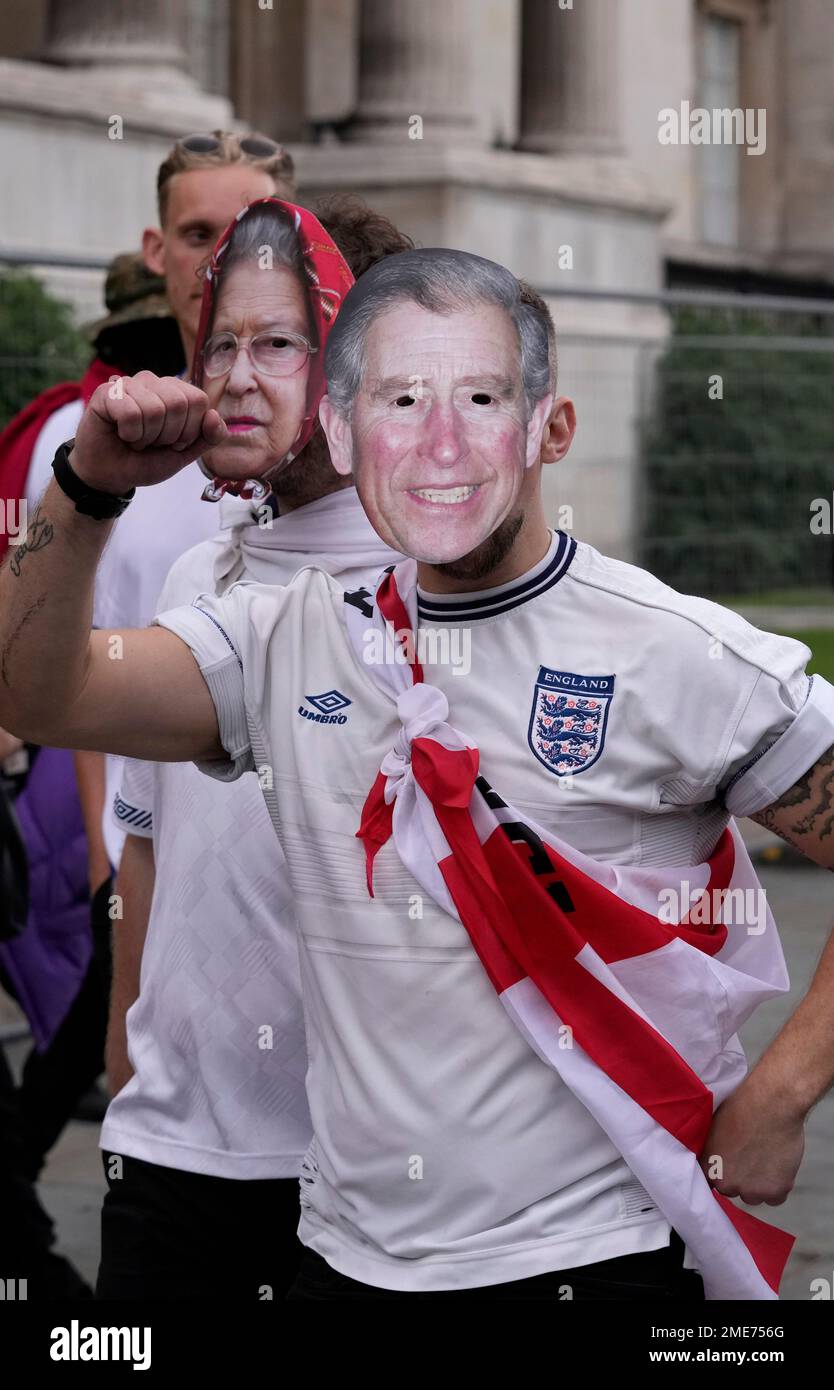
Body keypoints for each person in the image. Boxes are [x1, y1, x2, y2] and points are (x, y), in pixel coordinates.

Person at [3, 249, 834, 1302]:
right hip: (342, 1265)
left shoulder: (674, 650)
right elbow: (38, 696)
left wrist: (783, 1091)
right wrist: (86, 487)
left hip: (589, 1260)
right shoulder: (282, 638)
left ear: (550, 426)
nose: (440, 442)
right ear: (346, 434)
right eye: (400, 399)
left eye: (482, 397)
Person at [96, 195, 412, 1300]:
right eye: (221, 342)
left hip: (358, 1178)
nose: (235, 374)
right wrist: (126, 1068)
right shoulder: (200, 576)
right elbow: (147, 847)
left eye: (280, 342)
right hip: (171, 1164)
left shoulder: (434, 599)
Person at [0, 132, 295, 1187]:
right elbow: (66, 665)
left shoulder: (345, 444)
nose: (221, 261)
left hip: (307, 876)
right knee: (127, 1090)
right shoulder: (90, 446)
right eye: (198, 234)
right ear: (156, 250)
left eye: (249, 233)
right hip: (145, 841)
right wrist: (103, 849)